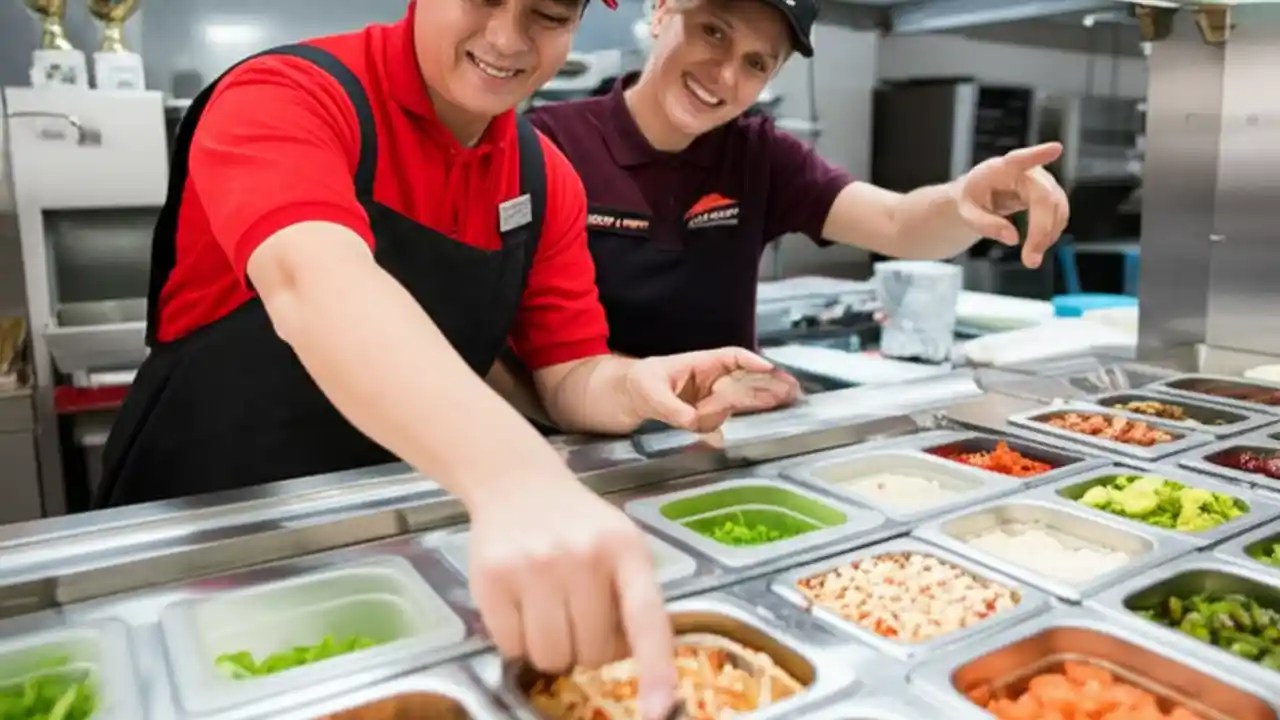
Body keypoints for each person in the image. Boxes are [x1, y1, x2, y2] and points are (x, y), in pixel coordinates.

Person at [97, 1, 769, 716]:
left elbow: (567, 374)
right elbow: (314, 284)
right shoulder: (289, 94)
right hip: (196, 552)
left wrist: (633, 384)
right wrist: (516, 477)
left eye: (546, 13)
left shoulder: (544, 180)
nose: (508, 39)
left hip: (381, 552)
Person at [527, 0, 1071, 413]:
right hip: (573, 443)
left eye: (756, 62)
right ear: (664, 9)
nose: (725, 76)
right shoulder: (549, 144)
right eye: (713, 31)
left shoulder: (759, 156)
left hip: (718, 443)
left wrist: (964, 200)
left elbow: (897, 223)